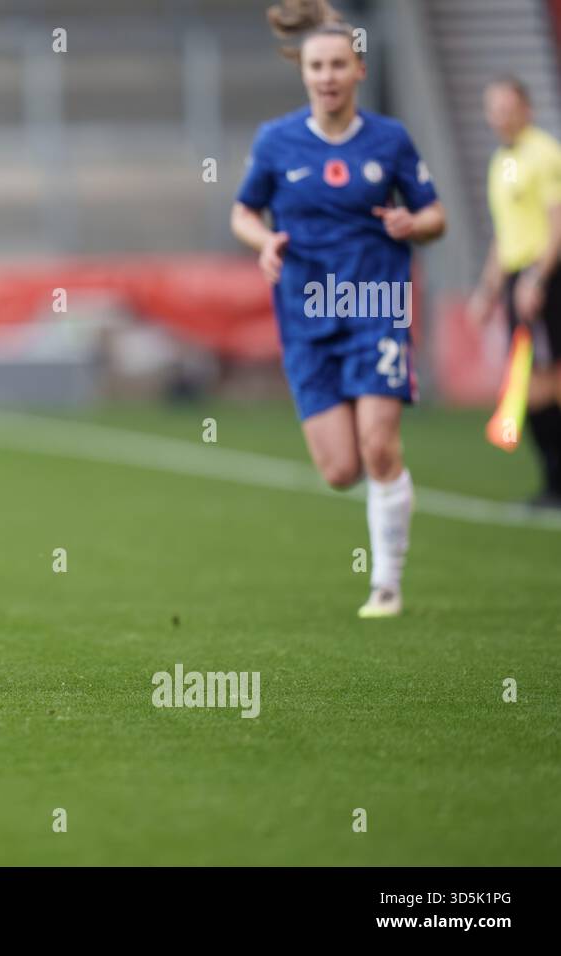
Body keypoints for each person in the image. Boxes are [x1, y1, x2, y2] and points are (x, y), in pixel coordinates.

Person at [231, 1, 446, 617]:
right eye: (316, 65)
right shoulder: (275, 141)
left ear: (358, 70)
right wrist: (262, 240)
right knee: (340, 470)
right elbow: (243, 211)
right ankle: (382, 557)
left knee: (380, 448)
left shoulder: (390, 139)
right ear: (304, 71)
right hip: (305, 319)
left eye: (338, 65)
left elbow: (437, 215)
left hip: (376, 307)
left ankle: (387, 584)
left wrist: (413, 222)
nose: (326, 75)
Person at [467, 75, 561, 507]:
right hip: (518, 278)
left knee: (546, 379)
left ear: (528, 109)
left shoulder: (543, 153)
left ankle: (555, 482)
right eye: (494, 109)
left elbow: (556, 222)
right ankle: (553, 482)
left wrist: (538, 279)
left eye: (508, 107)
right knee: (532, 379)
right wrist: (489, 290)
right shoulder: (500, 162)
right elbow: (505, 234)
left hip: (545, 277)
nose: (501, 116)